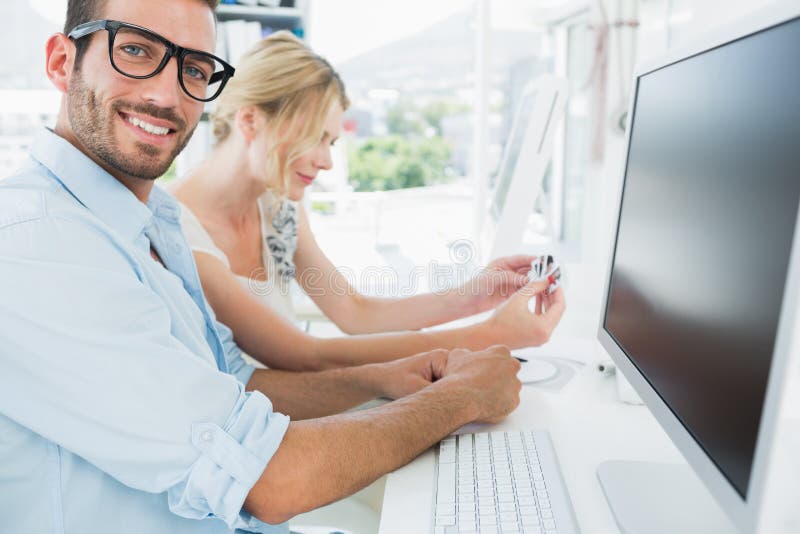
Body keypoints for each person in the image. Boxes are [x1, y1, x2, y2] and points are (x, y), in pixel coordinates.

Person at [0, 1, 556, 533]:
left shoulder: (156, 219)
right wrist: (462, 393)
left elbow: (237, 382)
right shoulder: (36, 244)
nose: (166, 93)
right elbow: (264, 473)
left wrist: (386, 377)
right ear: (60, 62)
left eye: (193, 69)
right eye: (138, 51)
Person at [170, 31, 566, 371]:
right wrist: (492, 336)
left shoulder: (277, 206)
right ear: (250, 120)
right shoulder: (176, 229)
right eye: (315, 138)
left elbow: (355, 312)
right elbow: (305, 356)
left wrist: (475, 294)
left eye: (332, 142)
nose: (325, 161)